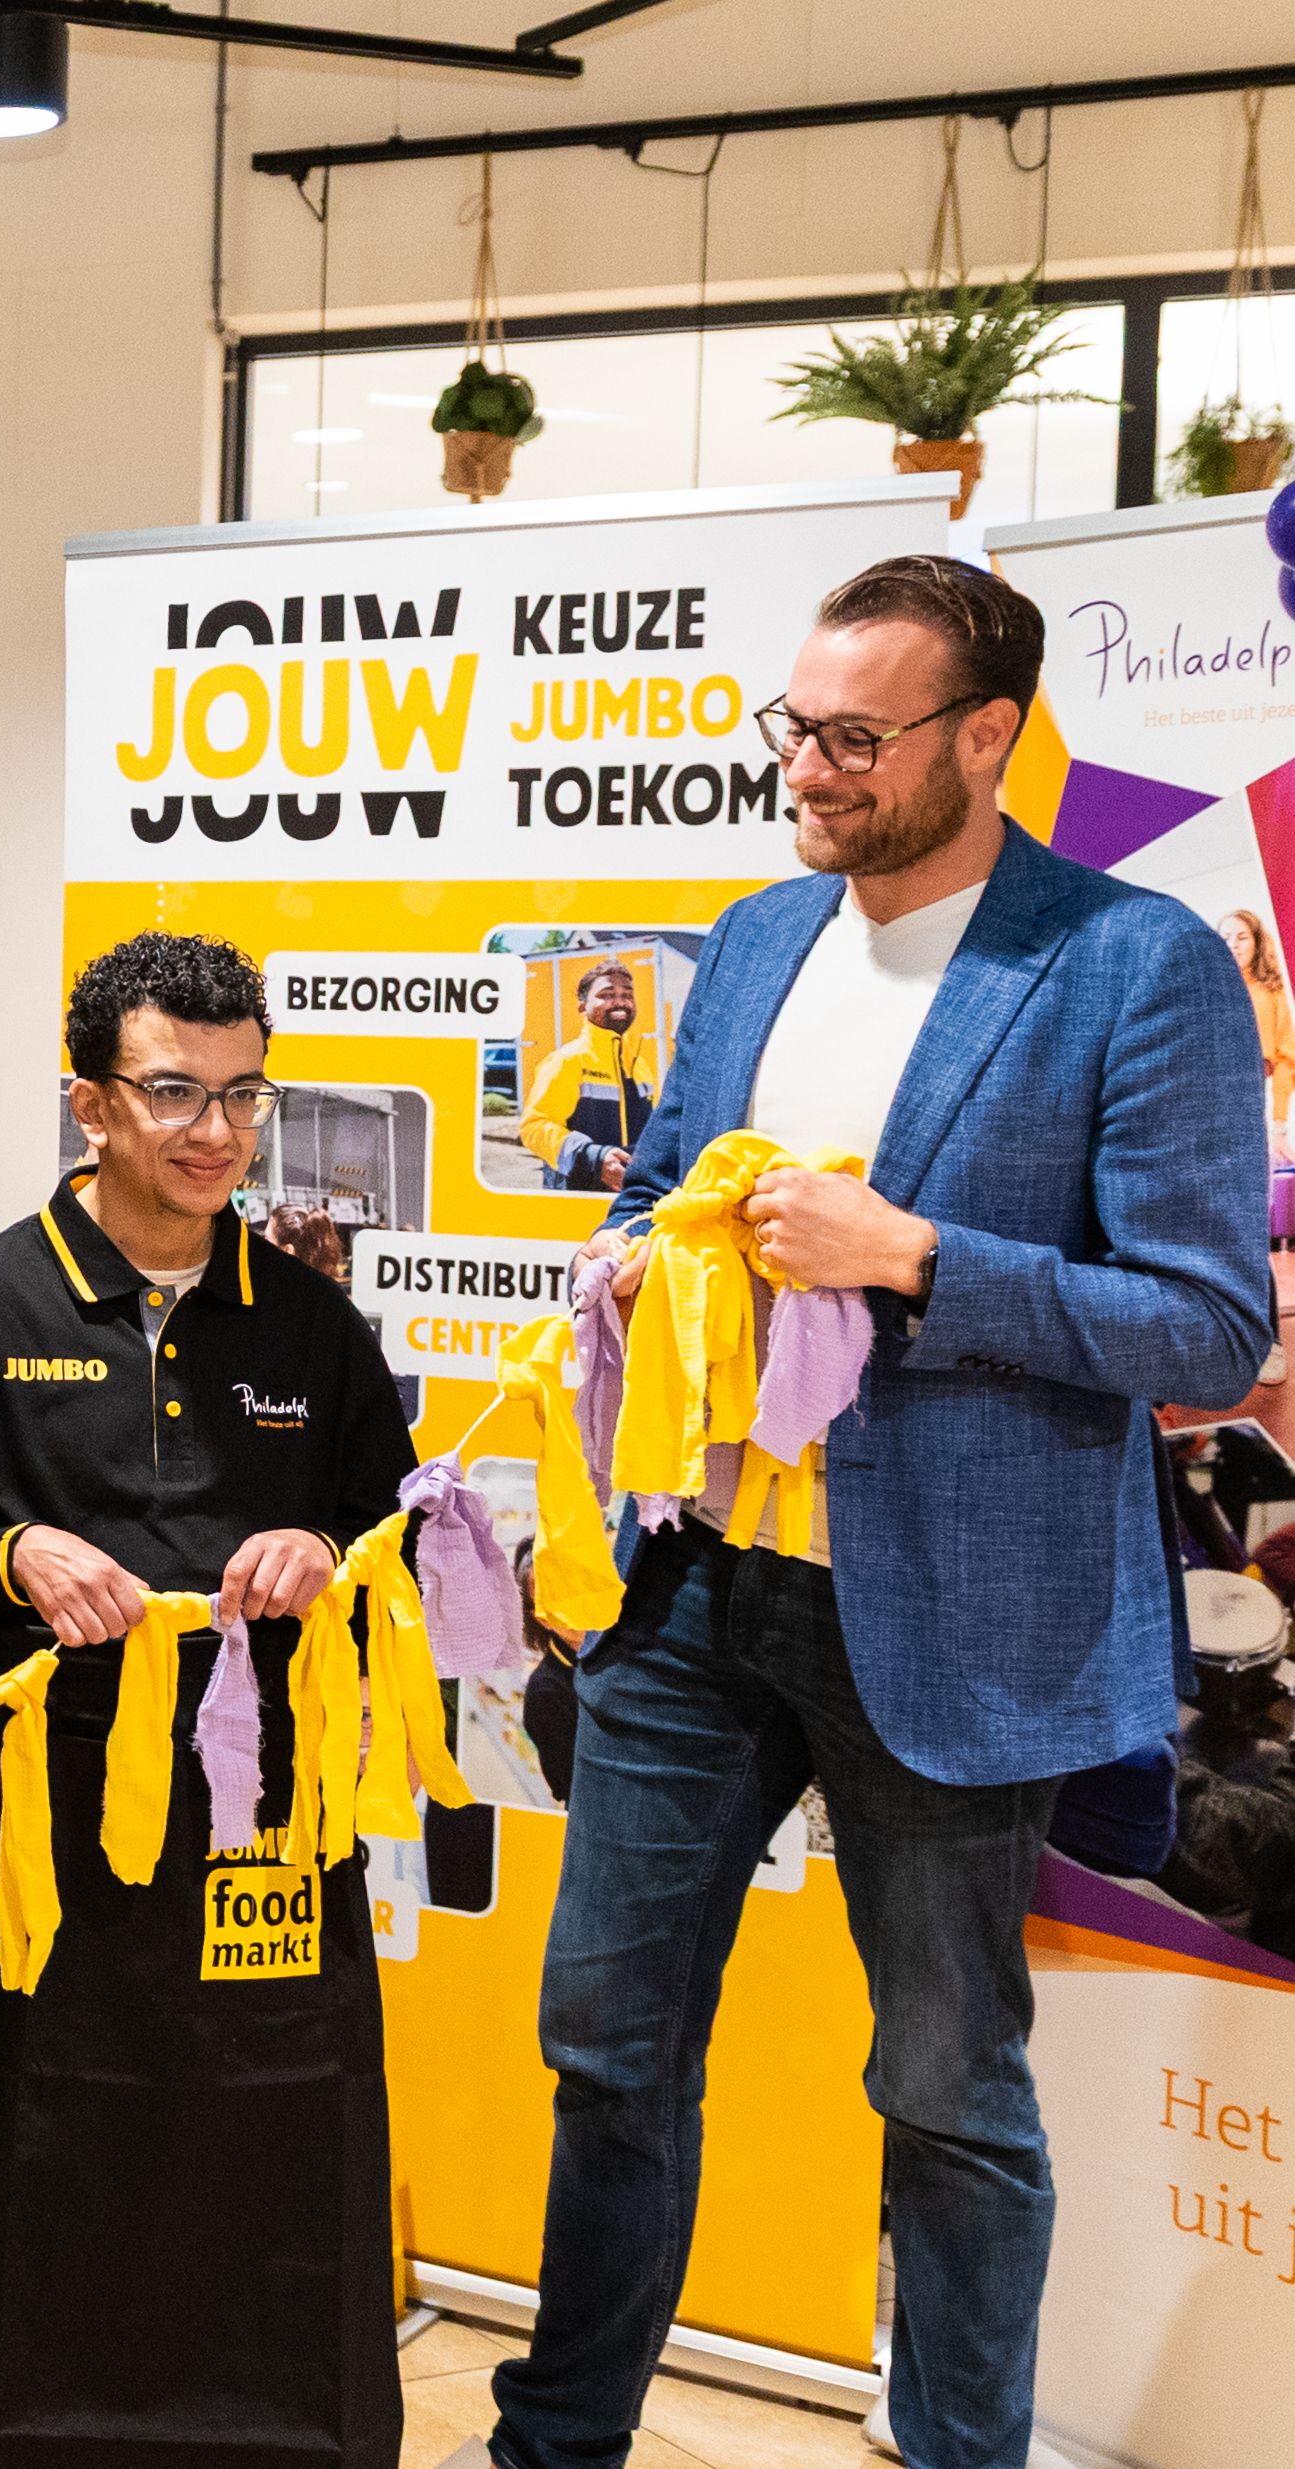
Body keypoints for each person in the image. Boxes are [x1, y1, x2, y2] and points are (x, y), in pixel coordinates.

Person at [449, 557, 1273, 2469]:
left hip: (953, 1617)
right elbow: (651, 1182)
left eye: (852, 735)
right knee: (605, 2048)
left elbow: (1206, 1326)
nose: (805, 767)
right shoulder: (752, 939)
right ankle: (550, 2448)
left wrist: (908, 1257)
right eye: (794, 726)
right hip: (690, 1589)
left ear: (984, 738)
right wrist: (631, 1254)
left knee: (947, 2095)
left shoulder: (1126, 963)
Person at [0, 931, 417, 2469]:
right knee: (17, 2140)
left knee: (275, 2136)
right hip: (24, 1815)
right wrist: (6, 1554)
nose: (214, 1131)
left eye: (241, 1095)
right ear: (88, 1103)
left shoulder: (306, 1324)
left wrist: (330, 1551)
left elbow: (394, 1528)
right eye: (172, 1091)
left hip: (252, 1816)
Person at [512, 963, 662, 1193]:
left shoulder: (640, 1066)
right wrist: (595, 1158)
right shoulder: (567, 1060)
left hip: (629, 1195)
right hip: (578, 1195)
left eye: (627, 995)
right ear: (583, 1007)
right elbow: (534, 1128)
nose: (620, 1002)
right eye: (606, 995)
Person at [1219, 906, 1294, 1150]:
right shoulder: (1209, 992)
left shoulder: (1273, 988)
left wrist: (1279, 1124)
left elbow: (1287, 1057)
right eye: (1225, 938)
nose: (1233, 945)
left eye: (1242, 937)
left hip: (1256, 1094)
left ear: (1257, 942)